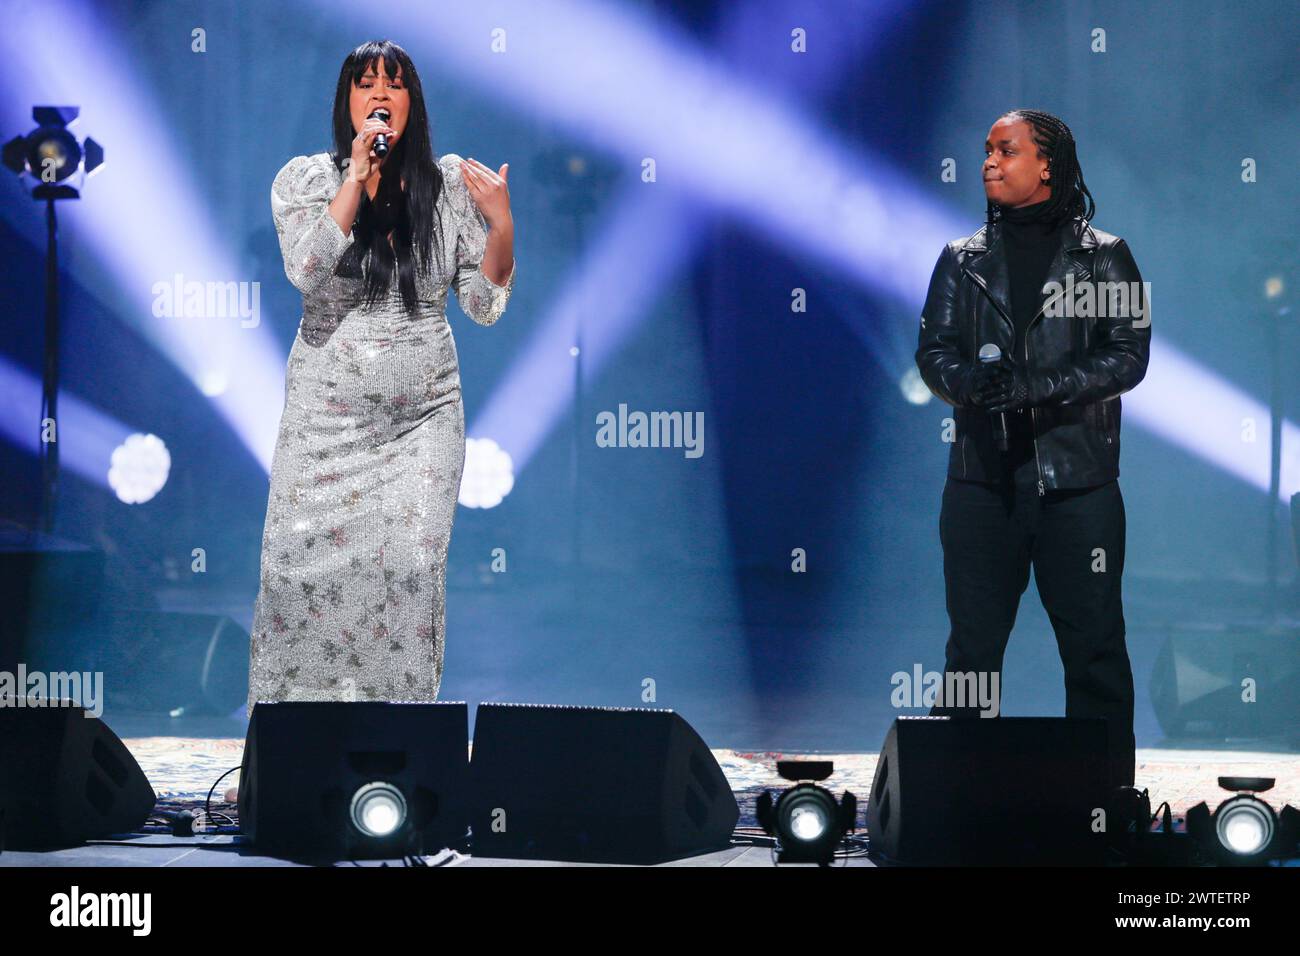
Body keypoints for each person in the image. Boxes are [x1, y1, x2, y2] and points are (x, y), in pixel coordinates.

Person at [246, 39, 516, 717]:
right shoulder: (306, 181)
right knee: (295, 571)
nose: (379, 95)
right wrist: (354, 180)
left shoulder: (448, 186)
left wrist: (503, 223)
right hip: (325, 421)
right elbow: (306, 271)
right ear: (347, 104)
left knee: (409, 572)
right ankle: (293, 743)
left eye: (392, 85)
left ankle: (401, 744)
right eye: (364, 85)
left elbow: (483, 306)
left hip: (421, 419)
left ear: (411, 103)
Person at [914, 108, 1150, 791]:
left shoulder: (1108, 255)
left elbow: (1128, 356)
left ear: (1046, 164)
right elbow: (932, 352)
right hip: (982, 485)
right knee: (972, 656)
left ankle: (1104, 809)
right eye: (985, 149)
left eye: (1005, 149)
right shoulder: (960, 260)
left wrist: (1036, 387)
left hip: (1077, 487)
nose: (988, 161)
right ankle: (952, 801)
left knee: (1095, 651)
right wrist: (970, 384)